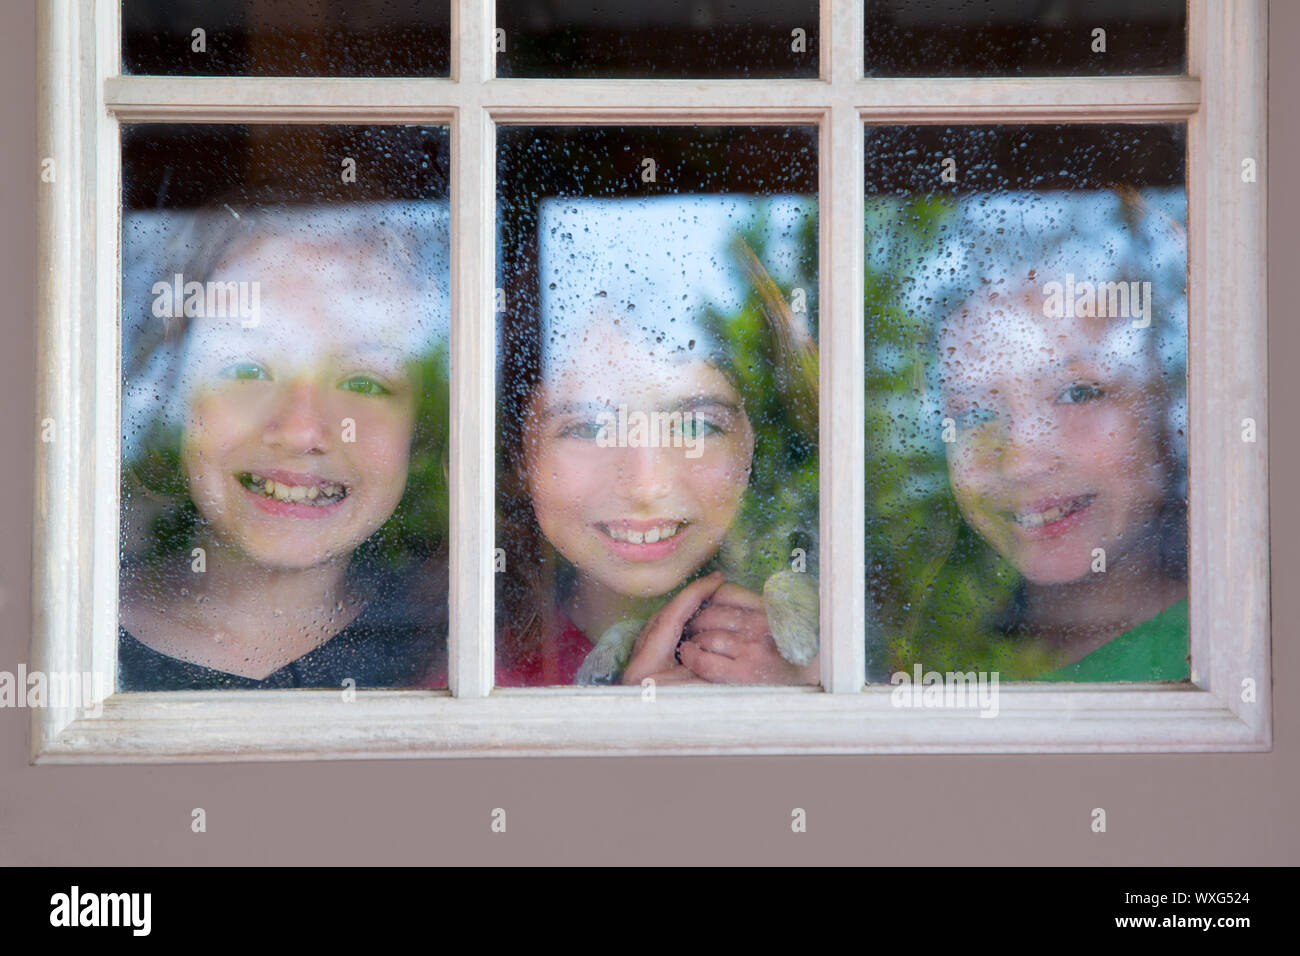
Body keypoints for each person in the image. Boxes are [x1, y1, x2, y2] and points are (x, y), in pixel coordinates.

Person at [484, 198, 821, 687]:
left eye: (695, 426)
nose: (645, 485)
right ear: (519, 455)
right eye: (590, 428)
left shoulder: (848, 652)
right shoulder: (475, 683)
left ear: (750, 444)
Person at [118, 198, 448, 690]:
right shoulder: (72, 634)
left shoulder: (463, 650)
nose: (301, 432)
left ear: (419, 431)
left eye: (362, 382)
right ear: (177, 395)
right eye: (246, 369)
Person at [935, 280, 1188, 681]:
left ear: (1164, 417)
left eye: (1078, 394)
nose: (1019, 463)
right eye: (975, 414)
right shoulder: (941, 661)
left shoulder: (1226, 651)